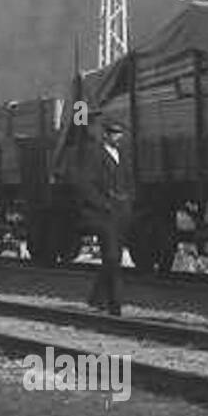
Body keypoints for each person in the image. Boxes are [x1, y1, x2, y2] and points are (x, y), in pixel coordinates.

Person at [68, 111, 134, 315]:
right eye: (114, 133)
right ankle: (115, 305)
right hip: (104, 214)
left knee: (111, 258)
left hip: (121, 212)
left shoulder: (122, 155)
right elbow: (85, 184)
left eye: (120, 133)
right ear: (105, 135)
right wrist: (103, 204)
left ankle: (97, 298)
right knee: (113, 257)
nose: (118, 136)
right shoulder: (94, 154)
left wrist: (130, 201)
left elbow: (129, 181)